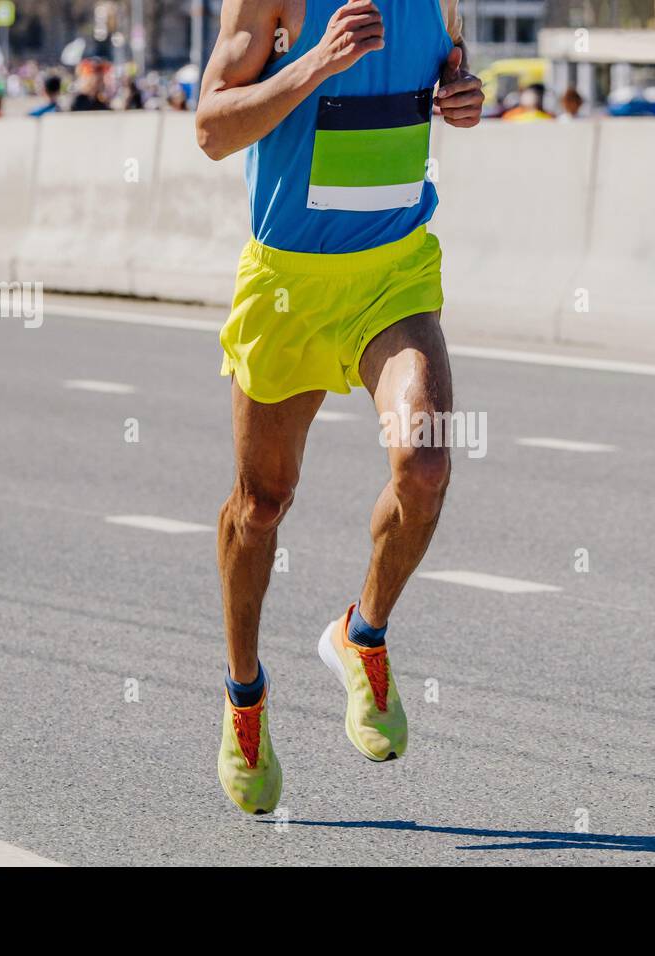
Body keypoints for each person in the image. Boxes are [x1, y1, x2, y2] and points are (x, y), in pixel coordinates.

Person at [194, 0, 484, 815]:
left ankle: (363, 634)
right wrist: (314, 65)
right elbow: (212, 129)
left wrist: (464, 96)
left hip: (393, 274)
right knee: (262, 503)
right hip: (287, 286)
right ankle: (244, 696)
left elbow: (451, 67)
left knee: (425, 465)